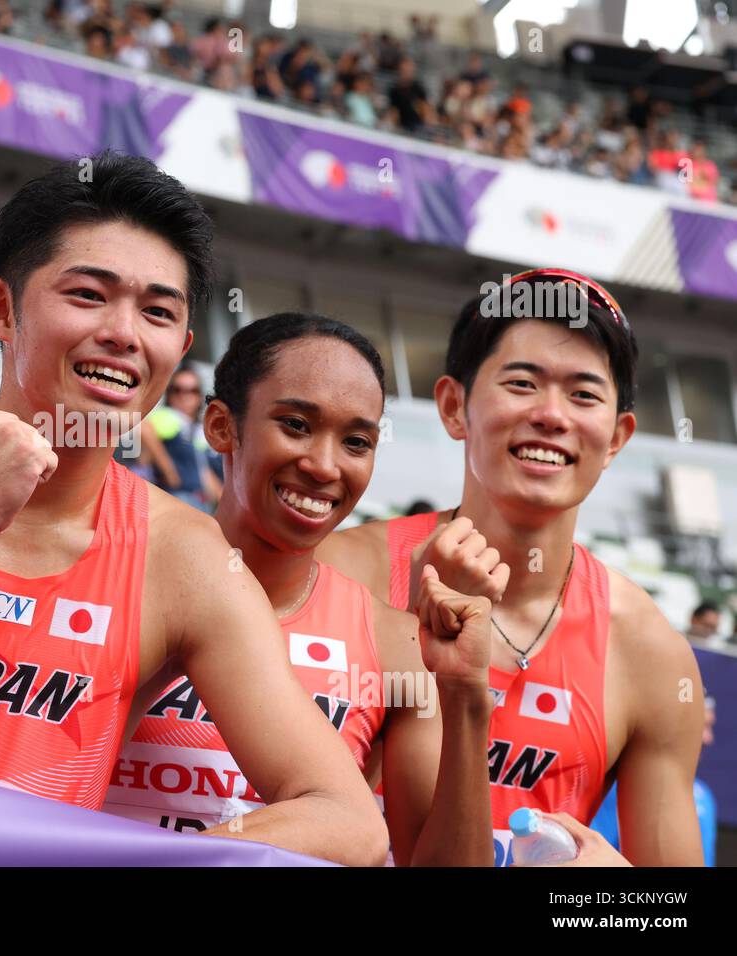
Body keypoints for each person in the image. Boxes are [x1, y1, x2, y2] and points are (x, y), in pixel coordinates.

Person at [0, 152, 388, 864]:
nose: (124, 333)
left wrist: (110, 860)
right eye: (87, 294)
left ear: (180, 347)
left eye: (158, 312)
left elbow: (347, 822)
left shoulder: (185, 556)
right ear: (0, 309)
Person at [317, 269, 706, 866]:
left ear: (617, 438)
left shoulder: (650, 652)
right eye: (522, 383)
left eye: (584, 394)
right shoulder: (338, 573)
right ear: (453, 406)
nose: (552, 416)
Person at [104, 314, 494, 866]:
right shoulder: (117, 584)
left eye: (356, 441)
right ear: (220, 426)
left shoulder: (393, 644)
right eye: (295, 425)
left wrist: (467, 697)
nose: (323, 465)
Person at [140, 363, 220, 511]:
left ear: (199, 396)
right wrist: (170, 472)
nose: (185, 396)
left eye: (192, 390)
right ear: (169, 394)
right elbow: (143, 428)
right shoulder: (166, 417)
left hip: (201, 502)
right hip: (178, 498)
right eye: (178, 390)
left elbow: (202, 469)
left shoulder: (196, 428)